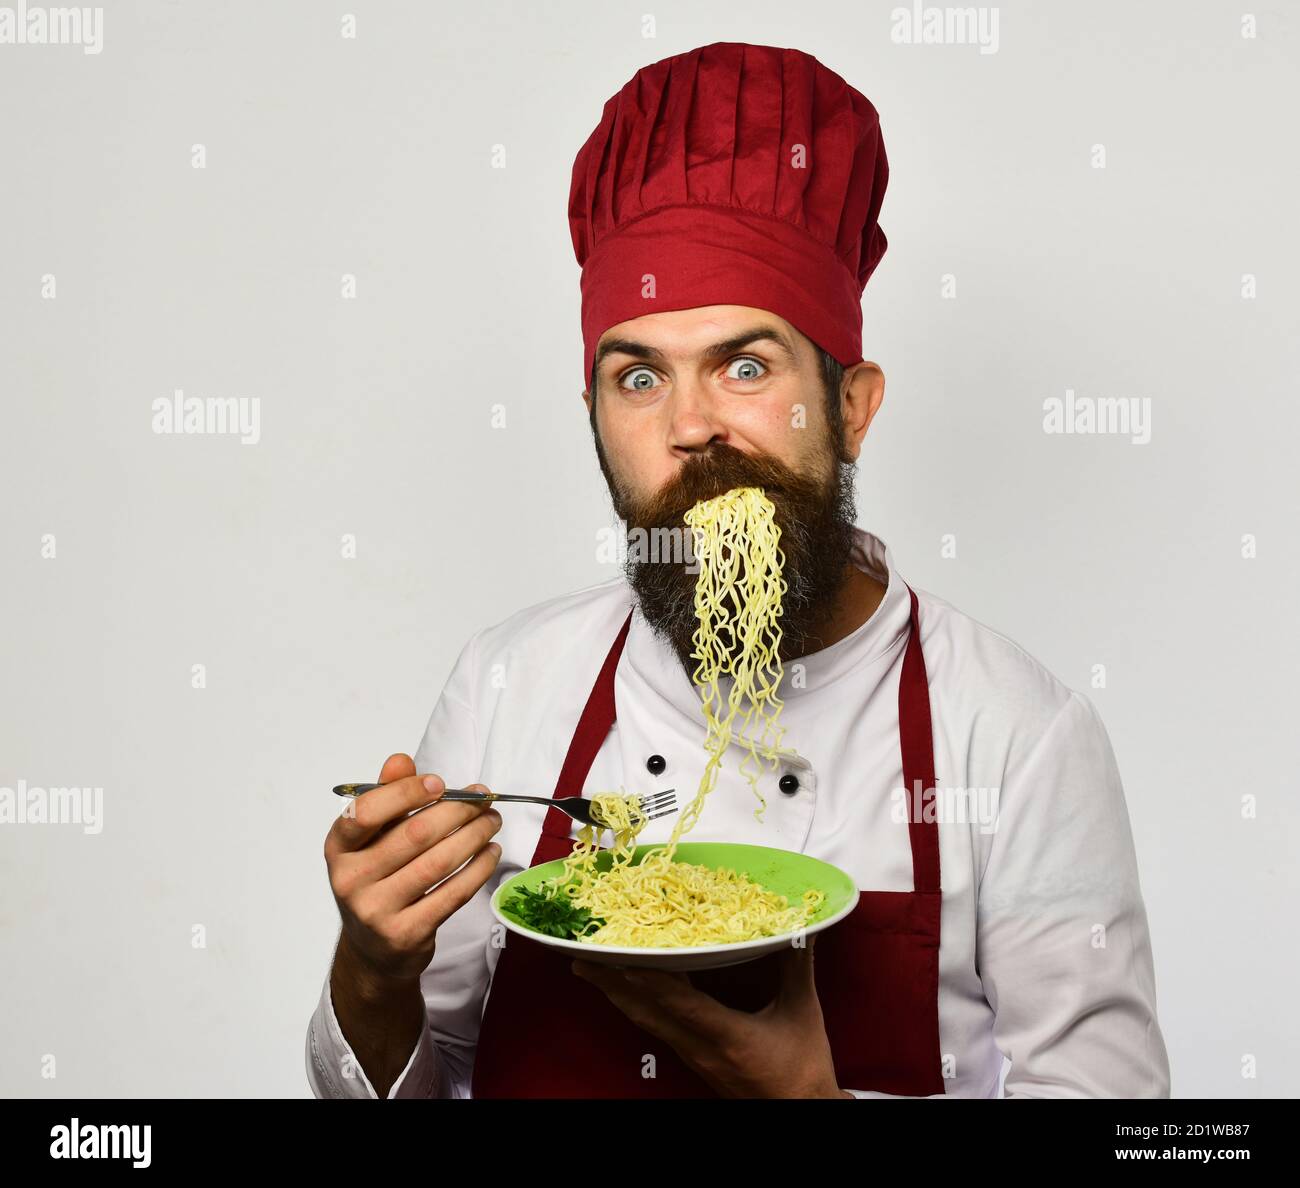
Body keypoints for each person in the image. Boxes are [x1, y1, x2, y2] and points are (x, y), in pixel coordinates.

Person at [306, 41, 1171, 1099]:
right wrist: (372, 967)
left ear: (850, 406)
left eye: (746, 366)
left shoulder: (1015, 735)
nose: (691, 426)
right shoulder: (510, 683)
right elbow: (416, 1082)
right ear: (593, 419)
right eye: (637, 377)